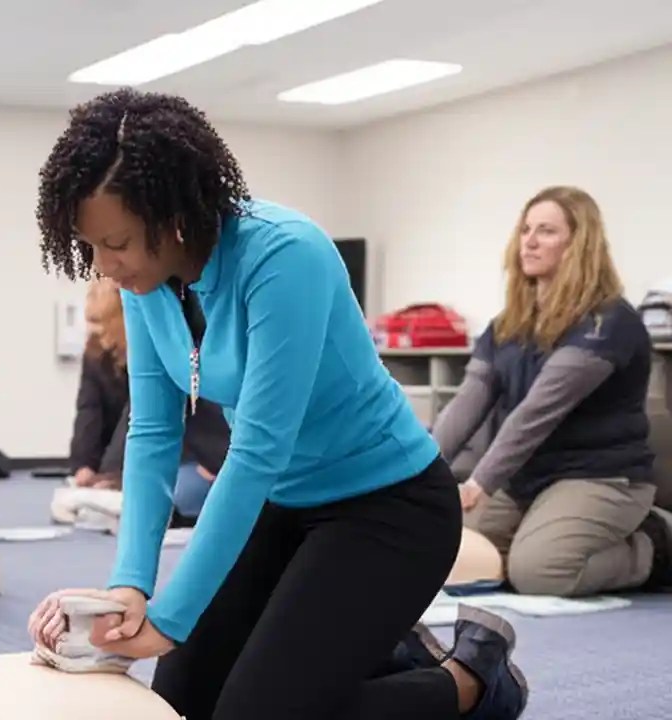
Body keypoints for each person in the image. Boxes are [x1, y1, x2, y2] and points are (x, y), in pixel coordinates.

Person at [26, 88, 528, 720]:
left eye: (116, 242)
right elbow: (154, 431)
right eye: (90, 245)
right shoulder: (145, 281)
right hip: (283, 507)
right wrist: (130, 584)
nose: (103, 265)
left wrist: (173, 617)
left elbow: (258, 451)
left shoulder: (285, 254)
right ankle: (370, 648)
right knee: (183, 705)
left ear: (171, 215)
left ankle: (471, 680)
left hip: (389, 508)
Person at [433, 185, 672, 596]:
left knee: (541, 573)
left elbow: (536, 412)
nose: (529, 240)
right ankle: (538, 534)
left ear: (578, 243)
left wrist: (480, 484)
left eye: (546, 230)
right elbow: (466, 404)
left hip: (601, 477)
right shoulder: (505, 326)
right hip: (528, 478)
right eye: (526, 228)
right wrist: (416, 478)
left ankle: (654, 540)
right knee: (446, 548)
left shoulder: (607, 322)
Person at [69, 276, 227, 522]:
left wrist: (221, 464)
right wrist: (85, 467)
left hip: (197, 457)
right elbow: (89, 410)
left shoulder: (176, 345)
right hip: (144, 458)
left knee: (174, 496)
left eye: (103, 325)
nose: (99, 335)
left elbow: (145, 417)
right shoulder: (97, 353)